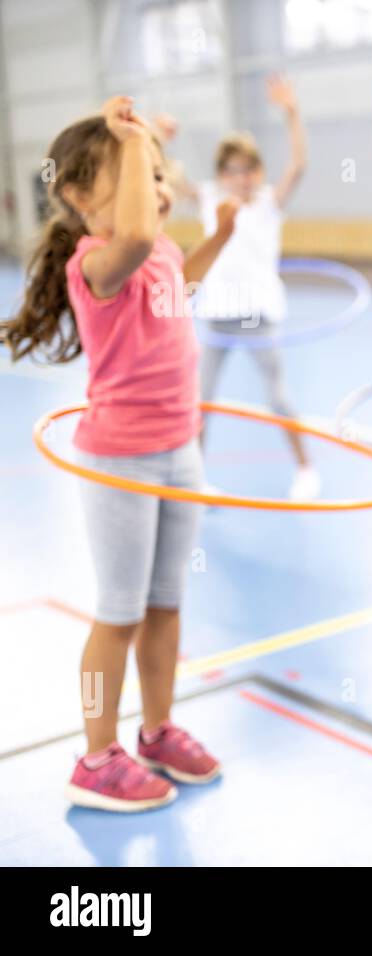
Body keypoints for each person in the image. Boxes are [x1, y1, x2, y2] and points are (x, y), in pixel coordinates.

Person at [1, 97, 238, 810]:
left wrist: (220, 237)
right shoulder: (95, 264)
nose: (158, 190)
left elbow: (175, 288)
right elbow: (133, 232)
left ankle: (158, 730)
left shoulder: (158, 250)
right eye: (142, 175)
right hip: (121, 462)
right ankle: (97, 756)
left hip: (179, 450)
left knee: (165, 605)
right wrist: (137, 143)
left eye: (161, 175)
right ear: (77, 198)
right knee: (120, 613)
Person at [167, 76, 318, 500]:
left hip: (258, 315)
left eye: (249, 168)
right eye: (232, 169)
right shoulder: (209, 197)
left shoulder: (269, 203)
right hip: (216, 317)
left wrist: (292, 114)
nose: (241, 177)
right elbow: (171, 178)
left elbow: (300, 167)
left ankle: (305, 471)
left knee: (278, 397)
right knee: (201, 401)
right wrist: (161, 138)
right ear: (220, 174)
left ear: (259, 172)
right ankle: (193, 480)